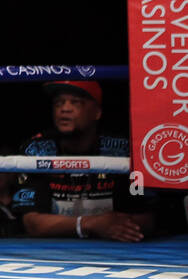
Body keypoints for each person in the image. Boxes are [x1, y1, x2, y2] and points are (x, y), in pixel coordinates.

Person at [12, 81, 156, 240]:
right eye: (58, 103)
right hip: (52, 252)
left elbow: (145, 219)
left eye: (75, 102)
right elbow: (32, 223)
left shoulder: (122, 150)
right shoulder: (36, 149)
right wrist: (90, 224)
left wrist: (113, 225)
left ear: (97, 112)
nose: (64, 108)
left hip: (116, 251)